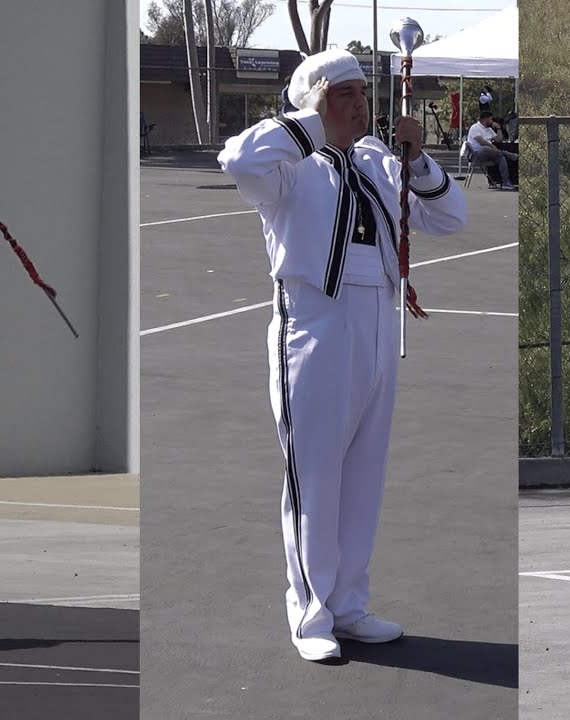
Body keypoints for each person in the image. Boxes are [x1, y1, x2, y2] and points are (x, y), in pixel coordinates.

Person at [218, 49, 466, 662]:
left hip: (378, 318)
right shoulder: (289, 167)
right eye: (345, 95)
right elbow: (237, 159)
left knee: (363, 475)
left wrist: (418, 158)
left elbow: (449, 218)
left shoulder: (379, 161)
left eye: (361, 93)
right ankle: (310, 612)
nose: (360, 105)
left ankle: (350, 604)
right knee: (315, 473)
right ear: (315, 101)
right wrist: (313, 120)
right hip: (315, 321)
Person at [465, 111, 517, 190]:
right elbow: (481, 141)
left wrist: (498, 128)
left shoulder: (489, 129)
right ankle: (508, 154)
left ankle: (506, 182)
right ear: (485, 119)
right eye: (491, 119)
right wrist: (492, 146)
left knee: (501, 157)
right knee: (486, 148)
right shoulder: (475, 127)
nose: (492, 121)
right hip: (477, 153)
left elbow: (499, 139)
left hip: (490, 153)